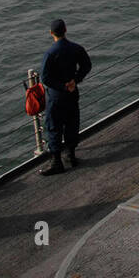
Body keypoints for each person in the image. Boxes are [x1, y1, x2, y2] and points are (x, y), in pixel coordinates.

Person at [39, 18, 92, 176]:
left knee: (54, 127)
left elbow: (45, 78)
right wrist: (75, 80)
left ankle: (56, 162)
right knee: (71, 123)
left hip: (56, 96)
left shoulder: (50, 53)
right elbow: (86, 65)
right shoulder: (76, 48)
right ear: (66, 30)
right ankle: (71, 155)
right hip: (72, 92)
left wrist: (62, 86)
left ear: (51, 33)